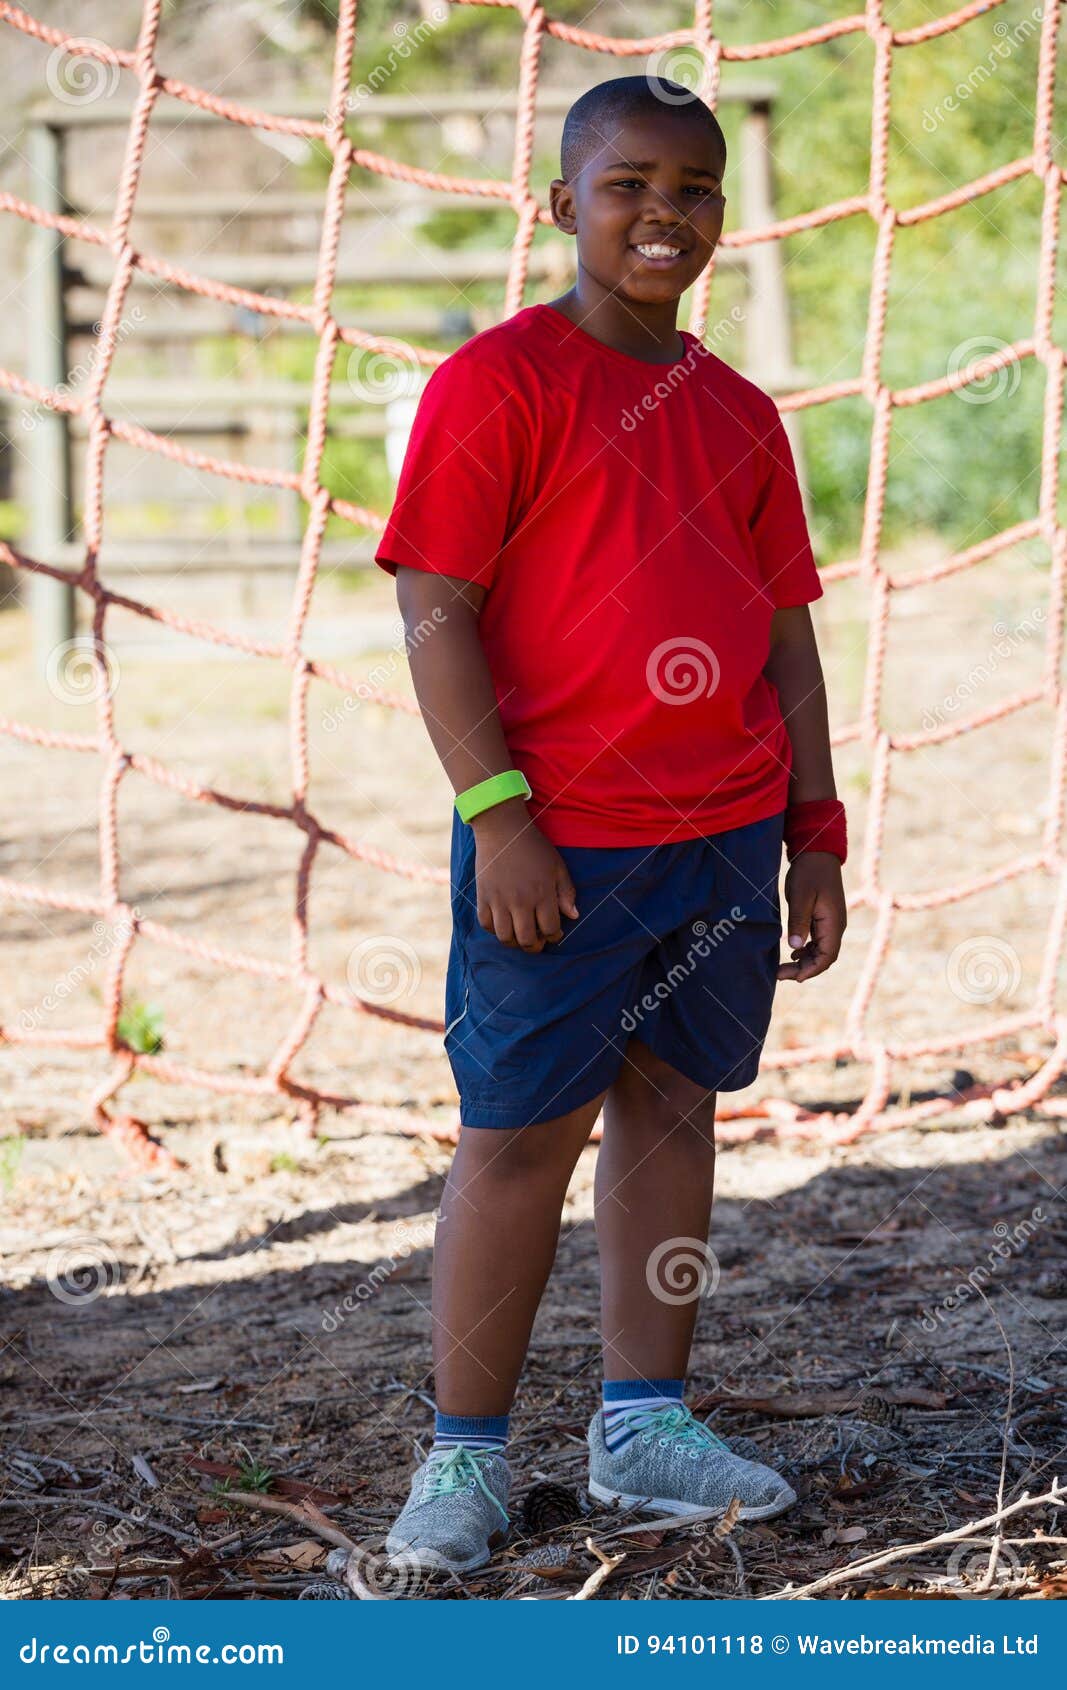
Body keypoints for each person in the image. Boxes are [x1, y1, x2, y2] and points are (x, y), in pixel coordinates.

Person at [373, 74, 847, 1574]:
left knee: (673, 1113)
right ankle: (464, 1458)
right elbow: (434, 612)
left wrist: (814, 829)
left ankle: (644, 1420)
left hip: (719, 836)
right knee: (518, 1138)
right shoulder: (494, 385)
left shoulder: (741, 414)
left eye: (696, 188)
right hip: (557, 844)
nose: (666, 211)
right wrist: (499, 814)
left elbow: (787, 641)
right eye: (631, 181)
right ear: (562, 202)